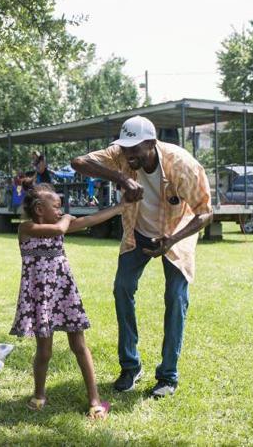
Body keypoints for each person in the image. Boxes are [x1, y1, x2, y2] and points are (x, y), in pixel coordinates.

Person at [71, 115, 213, 399]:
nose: (128, 154)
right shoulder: (121, 154)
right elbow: (78, 162)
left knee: (176, 297)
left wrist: (172, 240)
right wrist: (121, 177)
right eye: (125, 148)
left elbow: (205, 213)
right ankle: (130, 366)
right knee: (122, 289)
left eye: (134, 148)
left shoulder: (181, 164)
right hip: (138, 232)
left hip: (176, 232)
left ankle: (168, 375)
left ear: (151, 143)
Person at [11, 178, 124, 418]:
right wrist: (67, 219)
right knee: (44, 351)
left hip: (64, 294)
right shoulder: (26, 228)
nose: (61, 211)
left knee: (79, 346)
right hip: (41, 298)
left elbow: (90, 220)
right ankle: (39, 395)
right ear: (39, 209)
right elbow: (60, 228)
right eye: (56, 206)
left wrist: (120, 208)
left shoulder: (57, 224)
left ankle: (94, 398)